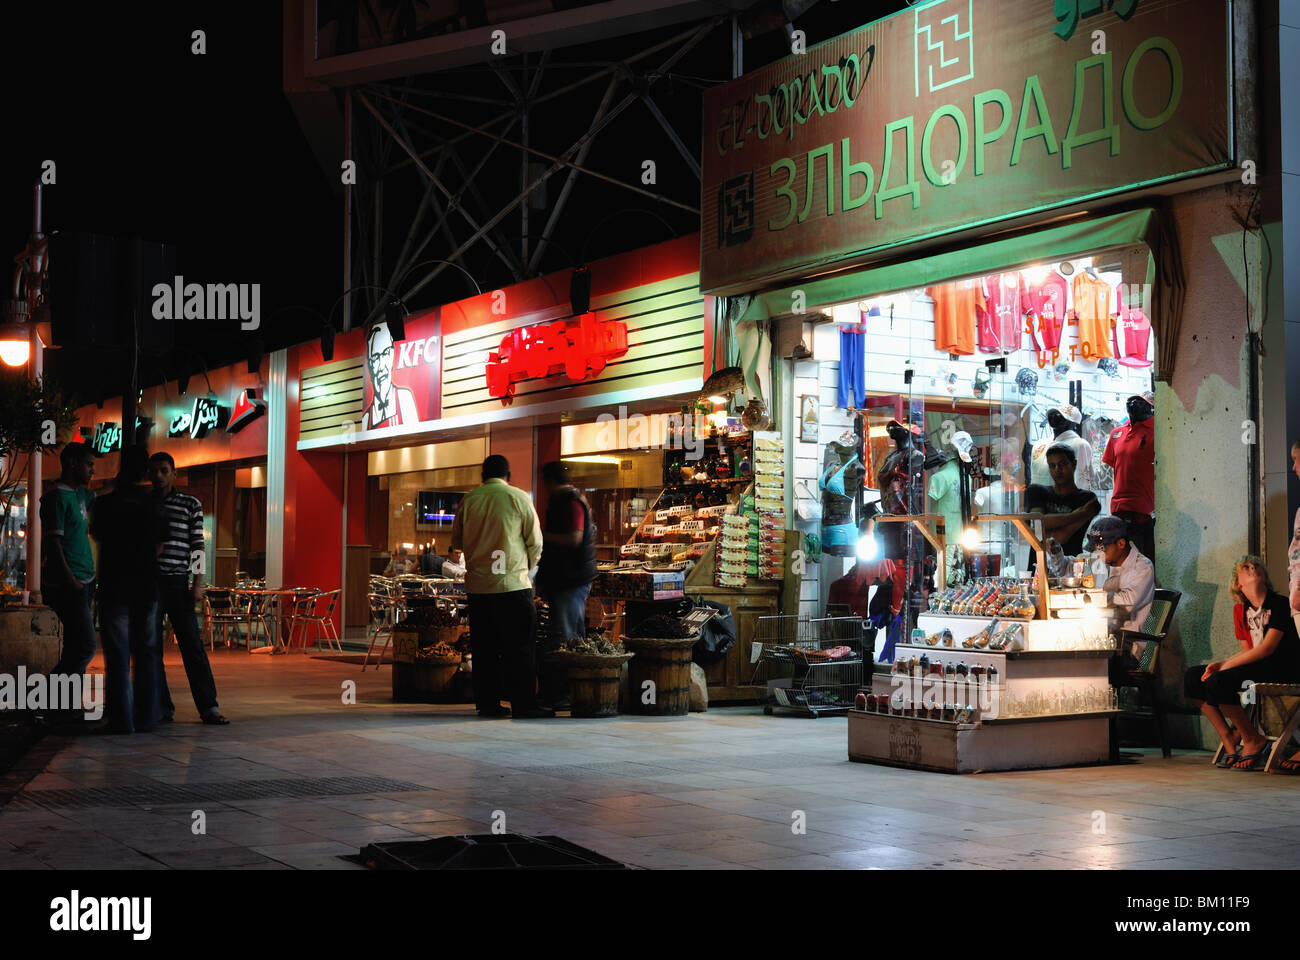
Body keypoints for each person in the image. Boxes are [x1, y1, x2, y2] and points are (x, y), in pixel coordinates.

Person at [449, 454, 549, 718]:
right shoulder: (518, 498)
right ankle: (524, 705)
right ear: (508, 475)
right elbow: (536, 543)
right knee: (520, 648)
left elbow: (457, 540)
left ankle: (488, 704)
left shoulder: (469, 501)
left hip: (479, 588)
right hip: (512, 587)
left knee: (484, 649)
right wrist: (525, 569)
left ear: (483, 476)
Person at [1184, 556, 1300, 770]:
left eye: (1257, 566)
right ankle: (1228, 737)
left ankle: (1251, 739)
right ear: (1238, 583)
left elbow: (1266, 649)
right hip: (1257, 667)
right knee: (1193, 676)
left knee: (1219, 680)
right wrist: (1222, 663)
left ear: (1264, 576)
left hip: (1282, 667)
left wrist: (1224, 666)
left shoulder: (1279, 604)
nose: (1253, 568)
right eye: (1246, 567)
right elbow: (1246, 651)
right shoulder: (1241, 611)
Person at [148, 451, 229, 725]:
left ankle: (209, 706)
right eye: (154, 471)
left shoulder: (190, 504)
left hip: (177, 583)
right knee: (152, 647)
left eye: (163, 470)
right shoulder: (145, 504)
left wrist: (198, 582)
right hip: (150, 583)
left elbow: (197, 546)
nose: (158, 475)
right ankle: (161, 706)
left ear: (173, 473)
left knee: (192, 645)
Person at [91, 445, 165, 734]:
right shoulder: (152, 505)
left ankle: (122, 719)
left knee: (118, 654)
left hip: (115, 584)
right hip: (146, 584)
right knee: (146, 652)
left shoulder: (107, 504)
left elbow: (98, 535)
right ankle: (147, 716)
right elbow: (161, 543)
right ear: (144, 472)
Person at [535, 462, 597, 708]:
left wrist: (542, 535)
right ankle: (571, 691)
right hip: (567, 578)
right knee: (569, 633)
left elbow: (574, 538)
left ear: (550, 482)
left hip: (572, 579)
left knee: (568, 635)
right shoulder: (564, 502)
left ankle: (569, 694)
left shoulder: (571, 503)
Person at [44, 443, 99, 679]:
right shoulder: (56, 497)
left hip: (85, 581)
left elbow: (105, 491)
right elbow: (53, 545)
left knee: (74, 647)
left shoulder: (79, 494)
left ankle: (65, 707)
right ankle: (40, 699)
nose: (92, 471)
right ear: (72, 463)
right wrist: (70, 579)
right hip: (71, 583)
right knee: (86, 646)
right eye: (89, 464)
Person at [1025, 444, 1100, 570]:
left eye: (1063, 464)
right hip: (1038, 569)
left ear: (1074, 464)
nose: (1057, 470)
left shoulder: (1087, 498)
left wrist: (1046, 523)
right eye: (1052, 465)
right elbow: (1036, 525)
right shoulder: (1037, 491)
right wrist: (1077, 514)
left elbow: (1061, 537)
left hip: (1070, 570)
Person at [1085, 516, 1155, 632]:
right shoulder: (1102, 561)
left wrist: (1098, 597)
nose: (1098, 554)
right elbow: (1075, 566)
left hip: (1127, 641)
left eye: (1103, 549)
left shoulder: (1143, 567)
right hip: (1102, 632)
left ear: (1121, 544)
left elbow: (1129, 602)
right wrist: (1057, 556)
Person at [360, 322, 418, 429]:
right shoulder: (365, 420)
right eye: (375, 358)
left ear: (392, 355)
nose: (382, 367)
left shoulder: (404, 399)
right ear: (370, 366)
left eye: (386, 353)